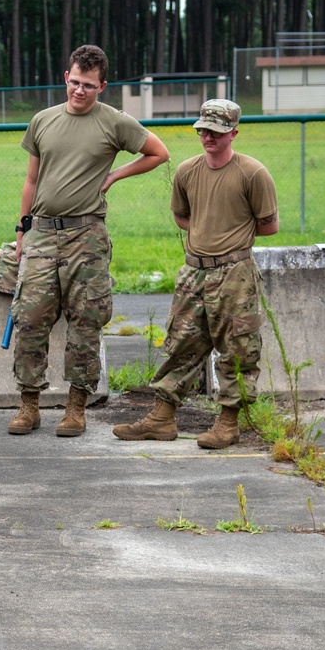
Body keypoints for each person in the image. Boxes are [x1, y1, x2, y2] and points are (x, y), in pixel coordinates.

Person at [8, 44, 170, 438]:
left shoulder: (114, 122)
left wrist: (115, 175)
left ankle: (76, 408)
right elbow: (31, 179)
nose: (80, 91)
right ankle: (29, 405)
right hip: (43, 234)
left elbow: (158, 153)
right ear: (66, 77)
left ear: (102, 86)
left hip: (87, 236)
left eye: (89, 85)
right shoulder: (43, 120)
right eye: (75, 82)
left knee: (85, 324)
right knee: (30, 320)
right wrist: (22, 230)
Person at [113, 99, 278, 449]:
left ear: (233, 133)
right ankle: (161, 418)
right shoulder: (187, 171)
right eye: (203, 130)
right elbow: (182, 216)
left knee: (237, 349)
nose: (208, 137)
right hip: (194, 272)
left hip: (235, 274)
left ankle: (229, 423)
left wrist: (228, 238)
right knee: (181, 344)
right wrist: (206, 234)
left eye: (216, 131)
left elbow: (269, 225)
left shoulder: (253, 173)